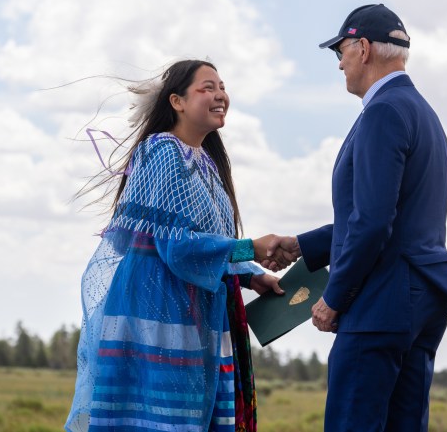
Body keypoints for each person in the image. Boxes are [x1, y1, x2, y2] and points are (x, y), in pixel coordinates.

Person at [265, 4, 447, 431]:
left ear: (362, 48)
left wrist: (335, 297)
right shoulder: (422, 111)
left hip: (381, 304)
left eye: (340, 51)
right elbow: (391, 218)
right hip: (422, 300)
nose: (340, 62)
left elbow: (372, 222)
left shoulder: (382, 112)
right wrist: (300, 246)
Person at [65, 59, 295, 432]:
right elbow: (178, 246)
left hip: (191, 313)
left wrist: (252, 277)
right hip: (157, 317)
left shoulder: (205, 163)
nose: (220, 94)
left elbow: (209, 244)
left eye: (222, 86)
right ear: (177, 101)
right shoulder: (162, 151)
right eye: (207, 87)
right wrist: (252, 248)